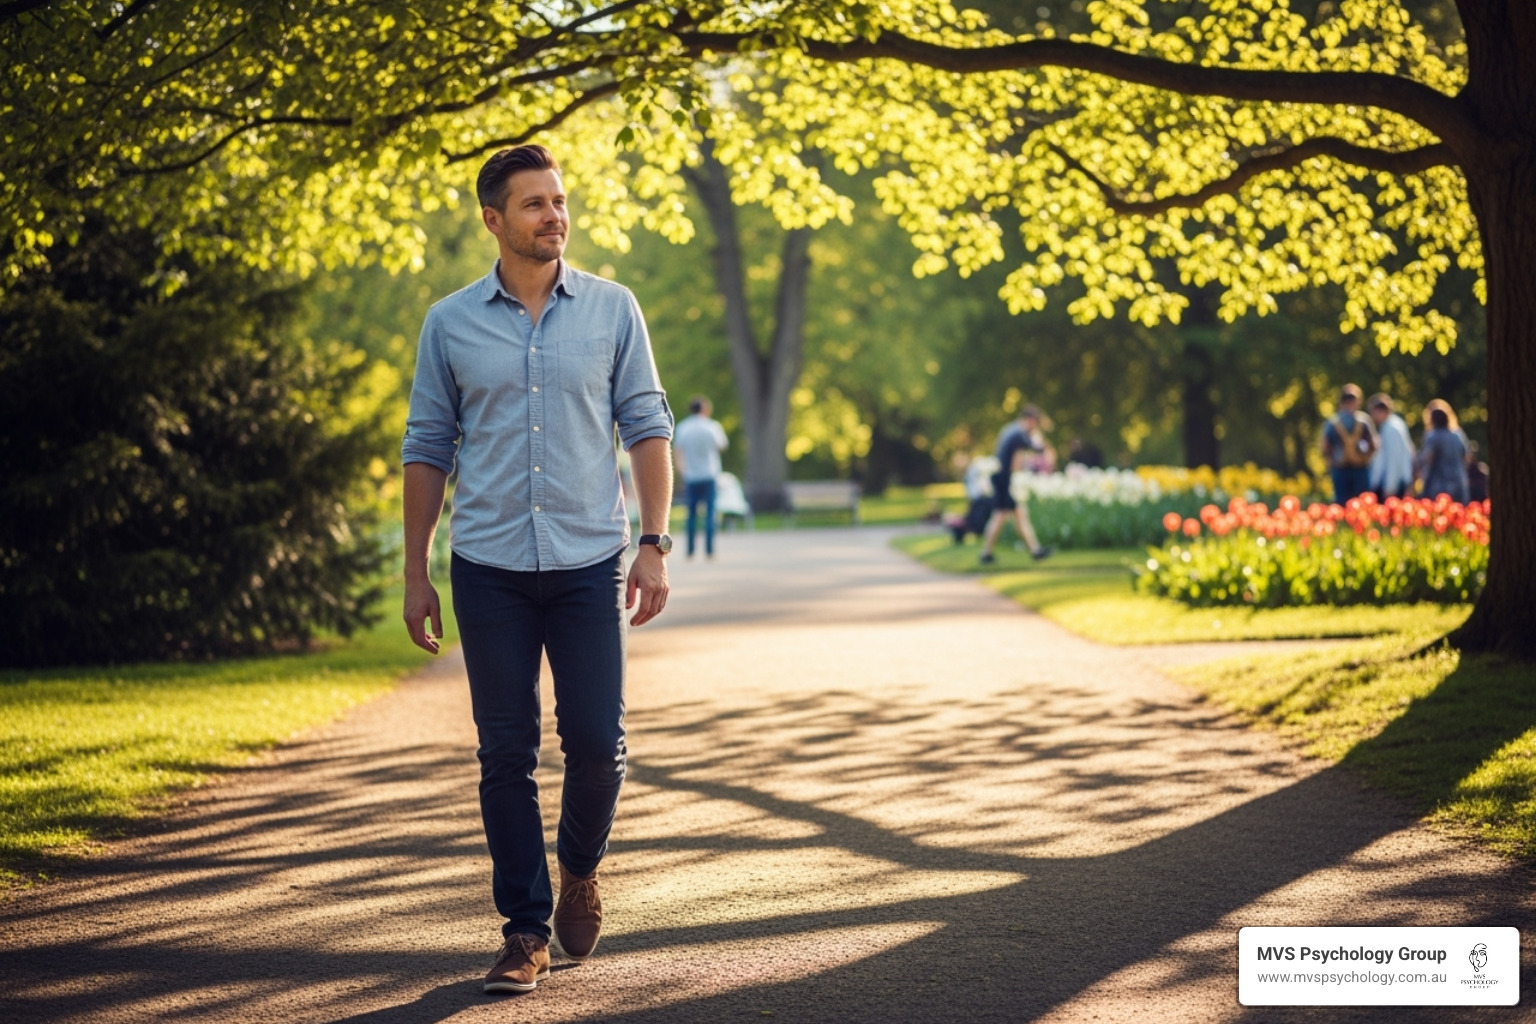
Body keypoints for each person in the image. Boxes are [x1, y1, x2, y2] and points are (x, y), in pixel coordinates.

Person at [400, 144, 675, 995]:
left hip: (589, 559)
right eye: (534, 204)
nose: (554, 215)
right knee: (505, 752)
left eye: (558, 201)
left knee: (596, 742)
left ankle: (580, 870)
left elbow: (647, 424)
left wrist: (655, 542)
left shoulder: (613, 309)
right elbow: (427, 446)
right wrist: (415, 570)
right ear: (494, 219)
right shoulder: (449, 323)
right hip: (489, 565)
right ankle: (523, 930)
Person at [978, 404, 1053, 564]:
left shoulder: (1010, 429)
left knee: (1018, 514)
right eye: (1036, 422)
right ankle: (986, 553)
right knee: (1000, 516)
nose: (1035, 426)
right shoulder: (1019, 433)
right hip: (1003, 480)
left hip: (1000, 478)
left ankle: (1035, 550)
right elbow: (1035, 450)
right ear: (1030, 420)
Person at [673, 395, 729, 558]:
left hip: (691, 476)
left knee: (691, 514)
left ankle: (690, 549)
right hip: (710, 474)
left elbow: (678, 452)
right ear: (705, 409)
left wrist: (683, 470)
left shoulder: (683, 427)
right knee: (710, 513)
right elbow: (722, 446)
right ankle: (709, 550)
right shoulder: (712, 426)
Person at [1320, 383, 1378, 504]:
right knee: (1363, 504)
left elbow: (1325, 447)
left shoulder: (1332, 422)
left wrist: (1330, 462)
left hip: (1340, 468)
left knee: (1342, 504)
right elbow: (1374, 445)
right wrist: (1366, 458)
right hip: (1360, 468)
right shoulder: (1364, 421)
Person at [1415, 404, 1469, 502]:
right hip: (1459, 482)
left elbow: (1428, 457)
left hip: (1439, 485)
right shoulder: (1457, 437)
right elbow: (1466, 456)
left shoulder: (1433, 437)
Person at [1366, 392, 1414, 499]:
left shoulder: (1391, 429)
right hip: (1395, 481)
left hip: (1392, 484)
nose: (1372, 417)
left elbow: (1394, 459)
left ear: (1380, 411)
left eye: (1373, 412)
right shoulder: (1396, 424)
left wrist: (1390, 487)